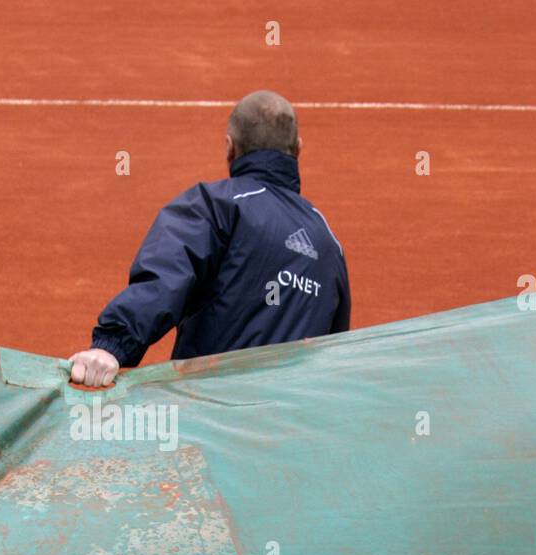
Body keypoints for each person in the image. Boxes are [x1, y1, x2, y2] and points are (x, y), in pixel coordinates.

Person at [69, 90, 351, 388]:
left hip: (211, 420)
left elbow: (164, 279)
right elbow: (333, 352)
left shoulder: (216, 205)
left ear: (230, 148)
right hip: (292, 424)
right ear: (298, 149)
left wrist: (112, 345)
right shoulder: (329, 244)